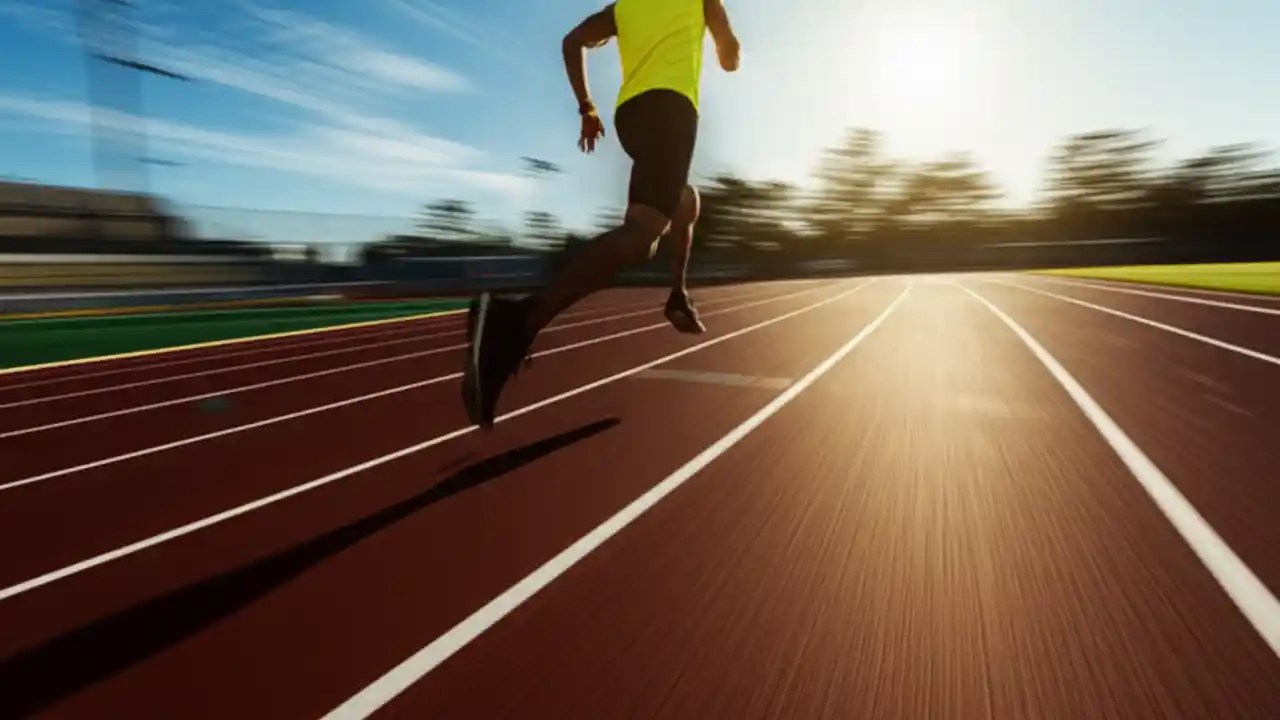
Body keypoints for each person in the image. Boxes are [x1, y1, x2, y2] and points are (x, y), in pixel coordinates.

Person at [462, 0, 741, 430]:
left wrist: (587, 108)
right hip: (672, 109)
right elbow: (729, 56)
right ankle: (515, 322)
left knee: (683, 202)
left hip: (632, 116)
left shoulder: (624, 6)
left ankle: (678, 294)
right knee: (641, 237)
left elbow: (571, 41)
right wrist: (726, 43)